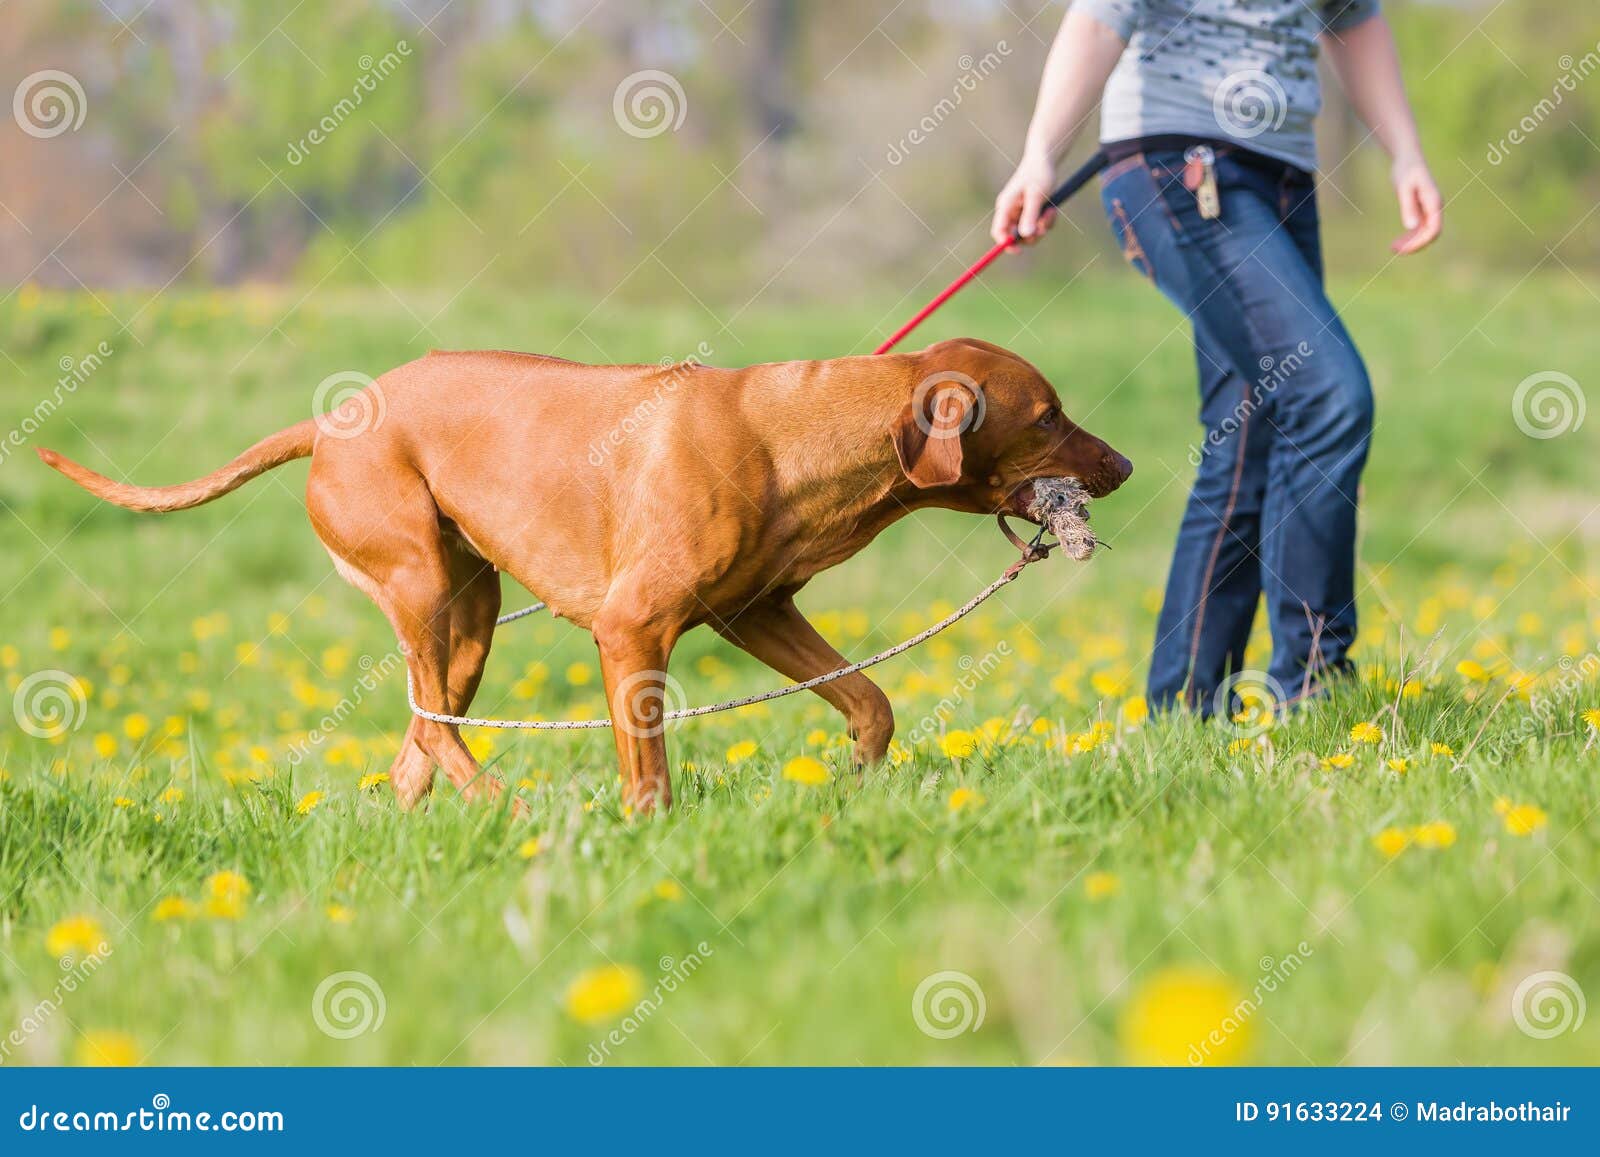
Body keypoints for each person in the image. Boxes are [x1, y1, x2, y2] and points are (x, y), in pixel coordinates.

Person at [993, 1, 1441, 714]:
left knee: (1250, 434)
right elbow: (1101, 14)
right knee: (1328, 396)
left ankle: (1185, 711)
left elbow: (1352, 17)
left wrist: (1406, 152)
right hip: (1183, 166)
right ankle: (1315, 682)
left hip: (1284, 178)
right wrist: (1042, 154)